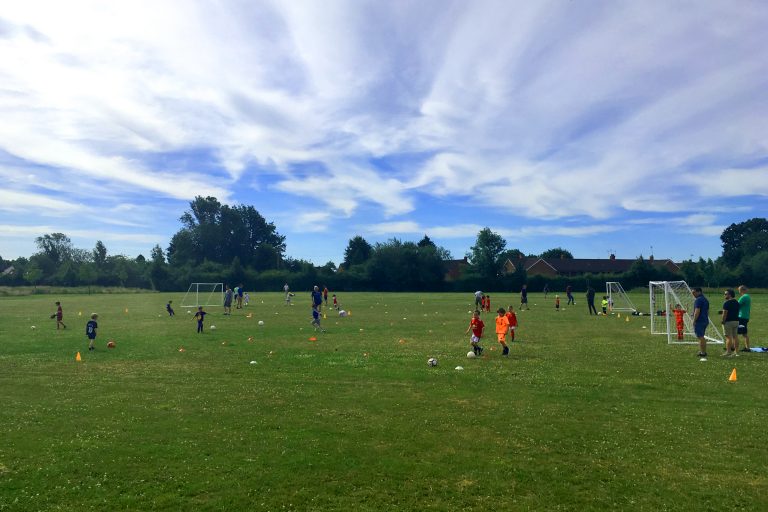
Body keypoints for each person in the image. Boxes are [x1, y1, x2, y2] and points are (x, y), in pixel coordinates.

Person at [721, 289, 740, 357]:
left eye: (725, 294)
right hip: (736, 321)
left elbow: (725, 313)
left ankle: (728, 352)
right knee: (735, 337)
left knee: (728, 337)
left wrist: (723, 321)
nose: (724, 295)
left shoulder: (726, 303)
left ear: (730, 295)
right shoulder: (737, 302)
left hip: (728, 322)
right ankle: (736, 352)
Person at [692, 287, 710, 359]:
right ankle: (702, 351)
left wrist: (694, 320)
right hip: (705, 320)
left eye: (694, 292)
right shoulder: (705, 299)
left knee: (700, 337)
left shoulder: (698, 300)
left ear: (699, 292)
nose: (693, 294)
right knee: (701, 336)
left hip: (699, 321)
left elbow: (697, 311)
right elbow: (707, 311)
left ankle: (703, 352)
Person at [738, 285, 752, 351]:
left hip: (741, 317)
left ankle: (747, 348)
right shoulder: (748, 296)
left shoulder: (743, 297)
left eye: (739, 290)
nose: (739, 292)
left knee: (741, 333)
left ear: (742, 290)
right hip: (746, 316)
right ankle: (747, 347)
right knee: (744, 333)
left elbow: (737, 305)